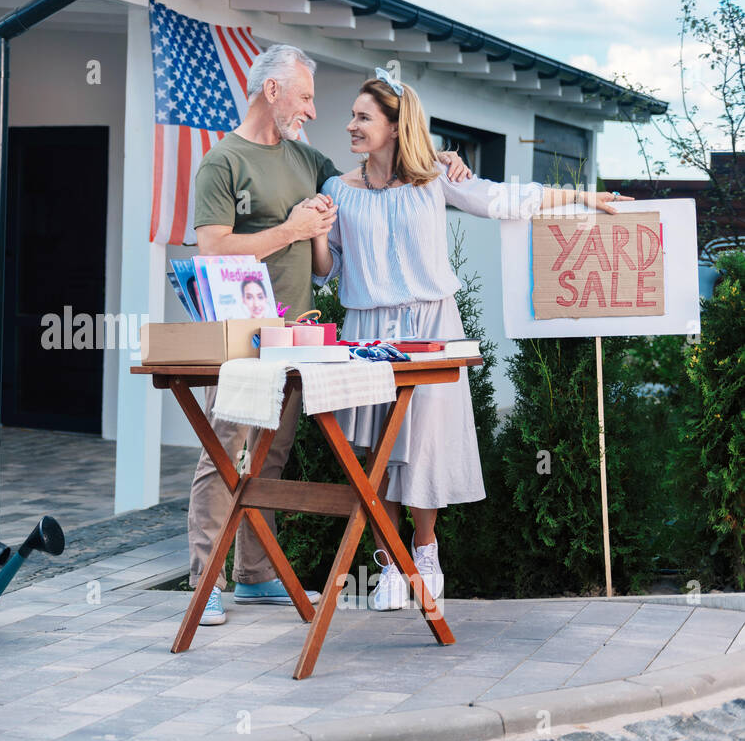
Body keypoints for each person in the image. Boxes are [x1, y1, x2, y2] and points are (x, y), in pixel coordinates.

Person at [311, 68, 632, 609]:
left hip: (433, 328)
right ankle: (388, 562)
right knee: (375, 449)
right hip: (366, 329)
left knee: (425, 444)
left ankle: (426, 550)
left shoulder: (437, 178)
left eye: (363, 117)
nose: (351, 126)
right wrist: (318, 233)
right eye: (352, 116)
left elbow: (504, 200)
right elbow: (327, 270)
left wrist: (582, 197)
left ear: (394, 126)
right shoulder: (337, 190)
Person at [188, 46, 471, 625]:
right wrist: (288, 230)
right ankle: (204, 583)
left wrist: (439, 156)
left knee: (272, 457)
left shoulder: (307, 161)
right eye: (306, 96)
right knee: (226, 453)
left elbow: (375, 170)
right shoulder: (223, 162)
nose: (315, 111)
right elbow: (212, 246)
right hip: (240, 335)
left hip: (295, 336)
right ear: (272, 92)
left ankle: (257, 575)